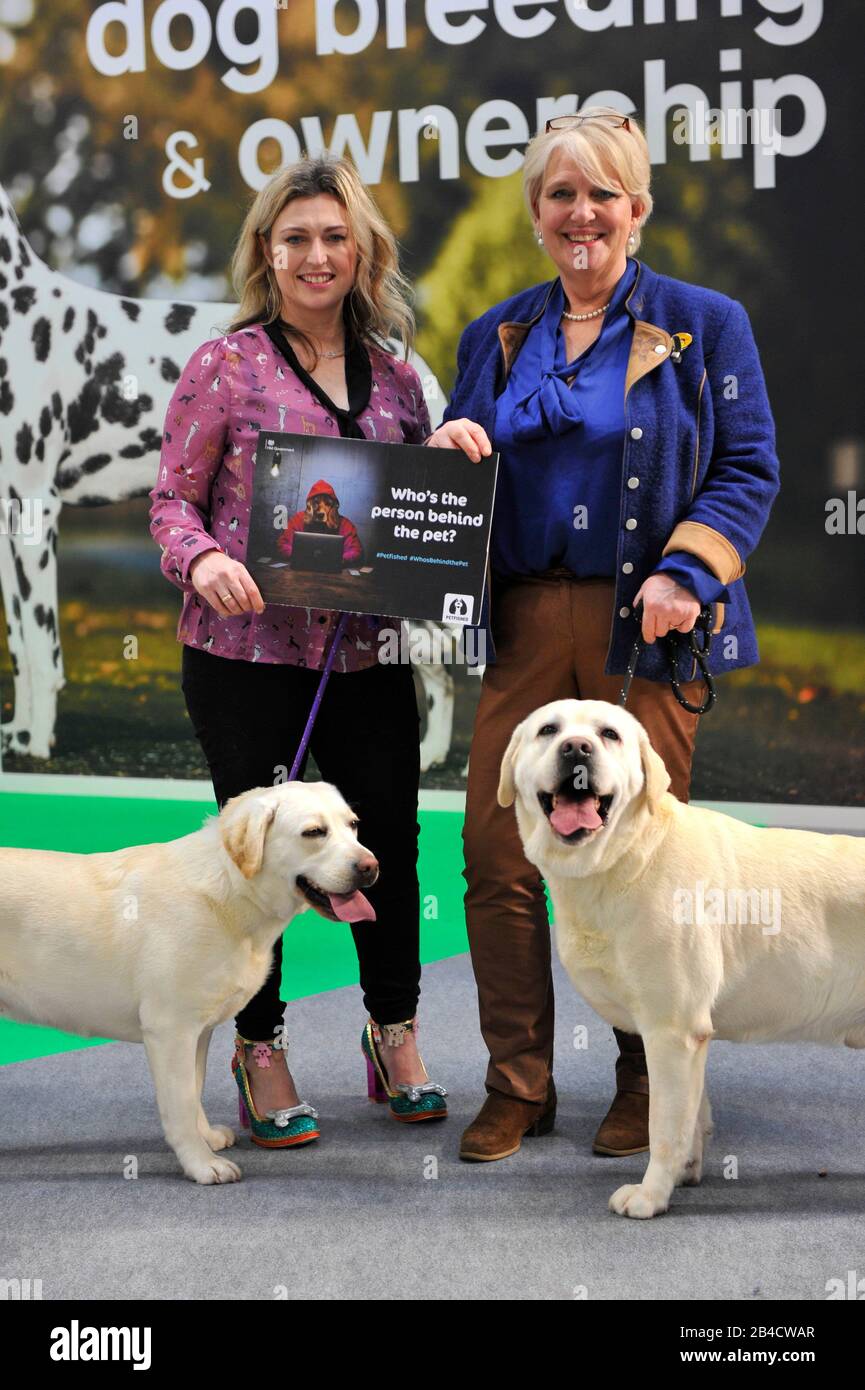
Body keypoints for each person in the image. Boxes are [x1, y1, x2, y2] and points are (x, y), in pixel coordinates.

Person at [425, 108, 780, 1162]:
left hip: (648, 623)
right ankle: (517, 1082)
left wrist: (687, 570)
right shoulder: (495, 331)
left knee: (639, 865)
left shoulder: (704, 322)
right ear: (536, 214)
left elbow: (747, 465)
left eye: (601, 193)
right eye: (559, 194)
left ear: (637, 208)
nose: (580, 213)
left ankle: (642, 1081)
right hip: (524, 618)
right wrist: (450, 449)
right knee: (497, 849)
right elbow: (463, 467)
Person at [149, 156, 447, 1149]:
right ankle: (260, 1047)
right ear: (266, 255)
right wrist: (199, 563)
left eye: (333, 237)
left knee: (386, 852)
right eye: (295, 239)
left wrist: (450, 462)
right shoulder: (223, 367)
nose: (316, 256)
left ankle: (393, 1033)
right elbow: (169, 504)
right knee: (261, 867)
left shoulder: (399, 373)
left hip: (366, 658)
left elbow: (414, 504)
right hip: (243, 659)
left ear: (360, 250)